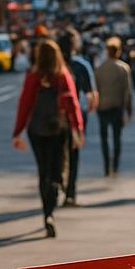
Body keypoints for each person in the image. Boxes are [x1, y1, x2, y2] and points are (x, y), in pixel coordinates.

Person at [14, 39, 83, 237]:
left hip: (36, 130)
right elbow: (73, 104)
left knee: (43, 170)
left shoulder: (33, 76)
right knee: (56, 170)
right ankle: (52, 206)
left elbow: (24, 104)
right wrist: (78, 129)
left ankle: (46, 213)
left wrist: (17, 132)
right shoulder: (62, 75)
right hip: (58, 129)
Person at [57, 30, 97, 206]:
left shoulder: (55, 64)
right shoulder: (82, 65)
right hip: (76, 115)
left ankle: (59, 183)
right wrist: (89, 110)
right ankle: (70, 192)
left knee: (57, 153)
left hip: (55, 116)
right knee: (74, 154)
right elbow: (91, 94)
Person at [93, 36, 134, 177]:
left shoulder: (99, 69)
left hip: (102, 107)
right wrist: (128, 110)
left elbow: (96, 90)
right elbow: (127, 92)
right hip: (117, 107)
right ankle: (115, 165)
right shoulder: (123, 68)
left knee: (104, 138)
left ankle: (106, 166)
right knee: (116, 138)